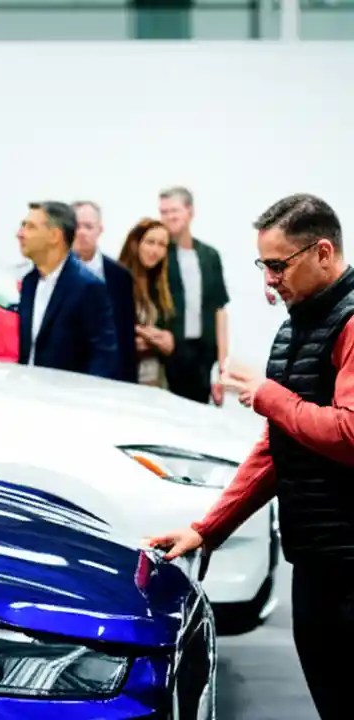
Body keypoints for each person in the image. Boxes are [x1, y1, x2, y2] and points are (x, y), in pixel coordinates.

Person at [146, 193, 354, 720]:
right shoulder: (295, 328)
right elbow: (277, 448)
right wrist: (208, 528)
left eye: (279, 265)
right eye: (263, 265)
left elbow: (349, 434)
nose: (269, 280)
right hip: (316, 560)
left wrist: (268, 395)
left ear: (324, 252)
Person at [16, 200, 120, 379]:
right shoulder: (29, 283)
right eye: (22, 226)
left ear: (55, 236)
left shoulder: (87, 286)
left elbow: (103, 356)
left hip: (66, 399)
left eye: (30, 227)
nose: (20, 234)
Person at [159, 186, 230, 404]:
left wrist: (223, 367)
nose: (169, 217)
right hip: (169, 355)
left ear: (190, 211)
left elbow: (220, 310)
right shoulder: (159, 256)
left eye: (174, 210)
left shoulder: (209, 256)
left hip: (202, 355)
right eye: (163, 212)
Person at [74, 200, 139, 382]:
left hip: (110, 377)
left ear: (100, 230)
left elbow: (126, 337)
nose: (82, 233)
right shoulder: (54, 274)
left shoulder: (119, 277)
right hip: (67, 375)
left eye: (88, 226)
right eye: (77, 226)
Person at [116, 218, 176, 388]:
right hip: (124, 375)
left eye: (162, 245)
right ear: (136, 243)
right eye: (150, 242)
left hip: (155, 377)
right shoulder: (118, 279)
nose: (155, 250)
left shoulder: (161, 286)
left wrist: (167, 339)